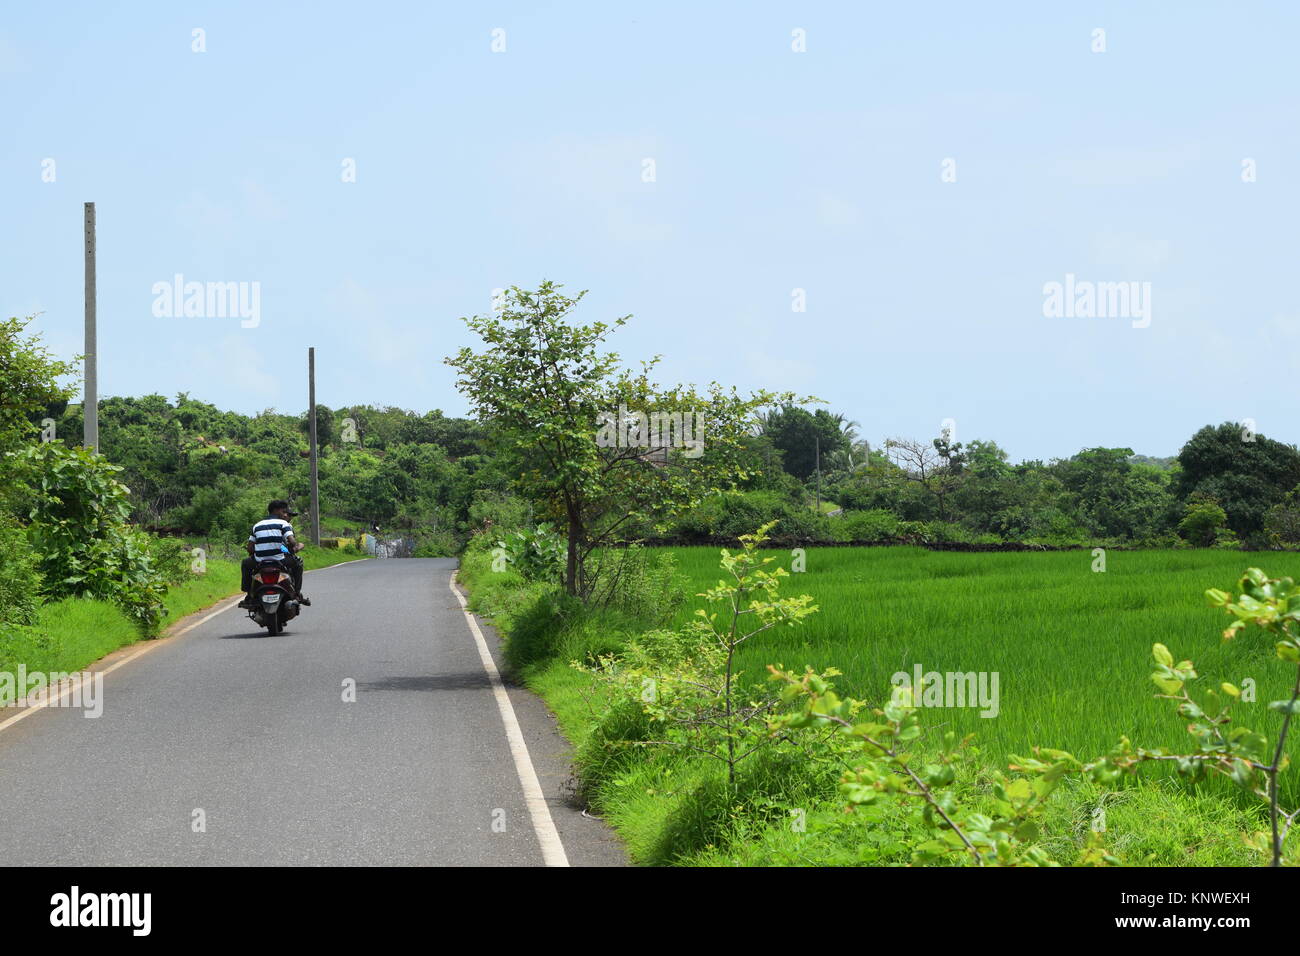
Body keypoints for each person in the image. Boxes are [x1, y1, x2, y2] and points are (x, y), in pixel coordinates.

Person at [238, 500, 311, 609]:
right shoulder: (284, 524)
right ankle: (296, 594)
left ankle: (249, 594)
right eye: (284, 511)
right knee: (298, 563)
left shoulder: (257, 525)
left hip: (260, 562)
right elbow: (291, 542)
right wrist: (295, 547)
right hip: (280, 561)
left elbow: (250, 547)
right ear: (276, 511)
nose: (286, 514)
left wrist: (258, 553)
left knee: (245, 563)